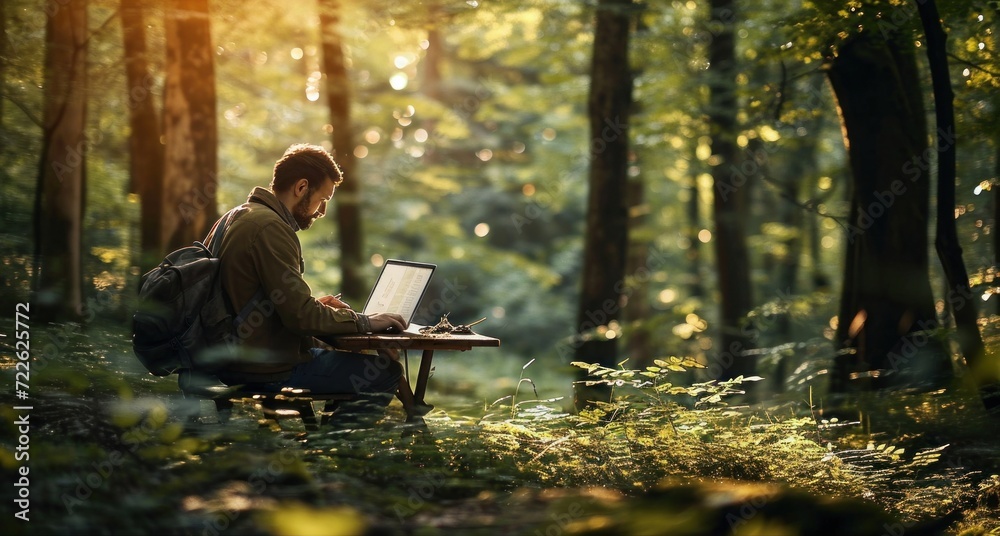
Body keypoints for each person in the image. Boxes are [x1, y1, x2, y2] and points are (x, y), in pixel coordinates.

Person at [205, 143, 407, 419]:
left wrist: (317, 307)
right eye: (322, 199)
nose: (322, 210)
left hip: (228, 356)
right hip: (262, 365)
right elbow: (300, 317)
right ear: (301, 187)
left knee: (350, 359)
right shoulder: (271, 228)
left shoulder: (237, 216)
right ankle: (339, 453)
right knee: (385, 373)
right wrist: (367, 321)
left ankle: (322, 447)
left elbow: (259, 299)